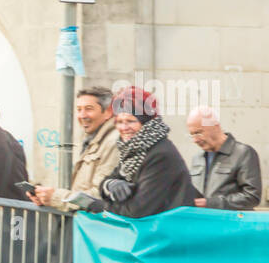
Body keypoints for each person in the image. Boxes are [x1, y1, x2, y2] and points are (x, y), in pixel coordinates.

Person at [76, 87, 199, 218]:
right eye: (119, 122)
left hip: (168, 232)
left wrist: (99, 206)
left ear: (145, 123)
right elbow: (107, 181)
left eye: (130, 121)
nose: (124, 128)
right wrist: (110, 184)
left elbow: (137, 210)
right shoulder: (133, 149)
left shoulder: (160, 154)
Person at [29, 87, 120, 212]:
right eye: (79, 109)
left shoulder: (113, 142)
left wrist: (55, 197)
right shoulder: (90, 138)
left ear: (108, 112)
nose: (82, 115)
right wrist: (45, 196)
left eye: (89, 109)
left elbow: (99, 195)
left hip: (94, 226)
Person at [186, 107, 262, 210]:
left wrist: (210, 203)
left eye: (198, 133)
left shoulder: (243, 153)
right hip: (202, 222)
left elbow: (252, 197)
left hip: (231, 223)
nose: (195, 140)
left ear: (215, 126)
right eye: (192, 135)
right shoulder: (197, 158)